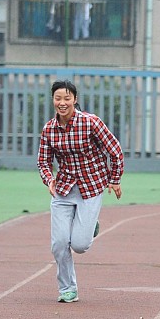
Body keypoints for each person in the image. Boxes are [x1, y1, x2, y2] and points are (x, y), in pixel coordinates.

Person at [37, 80, 125, 303]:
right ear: (53, 100)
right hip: (63, 189)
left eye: (67, 98)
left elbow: (115, 150)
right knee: (59, 244)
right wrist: (49, 180)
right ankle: (67, 288)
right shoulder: (49, 129)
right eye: (58, 98)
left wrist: (115, 179)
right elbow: (43, 161)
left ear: (75, 99)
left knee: (79, 245)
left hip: (91, 187)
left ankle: (89, 224)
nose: (62, 103)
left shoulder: (90, 122)